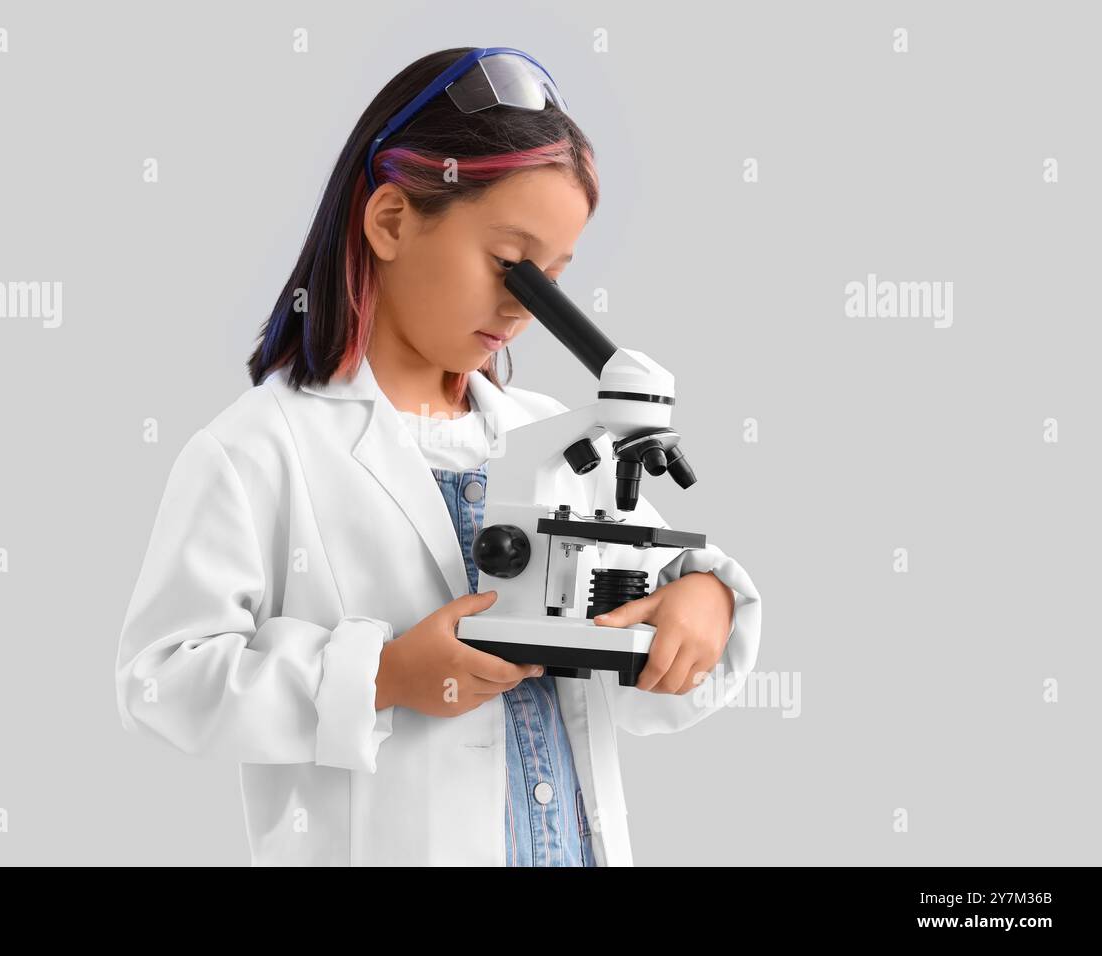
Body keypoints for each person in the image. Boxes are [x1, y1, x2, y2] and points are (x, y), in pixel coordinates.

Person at [115, 46, 762, 866]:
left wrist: (704, 600)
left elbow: (656, 597)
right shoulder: (258, 451)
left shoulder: (548, 432)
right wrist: (380, 677)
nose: (525, 309)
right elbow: (160, 681)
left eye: (552, 281)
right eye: (511, 266)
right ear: (390, 221)